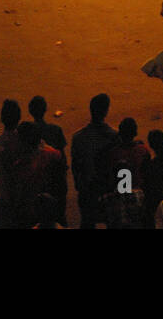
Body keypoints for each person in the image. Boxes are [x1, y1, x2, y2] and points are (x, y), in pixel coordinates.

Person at [71, 93, 118, 229]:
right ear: (106, 111)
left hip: (87, 187)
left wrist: (79, 185)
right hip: (108, 188)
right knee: (112, 221)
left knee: (87, 221)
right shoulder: (114, 136)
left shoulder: (79, 137)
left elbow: (75, 165)